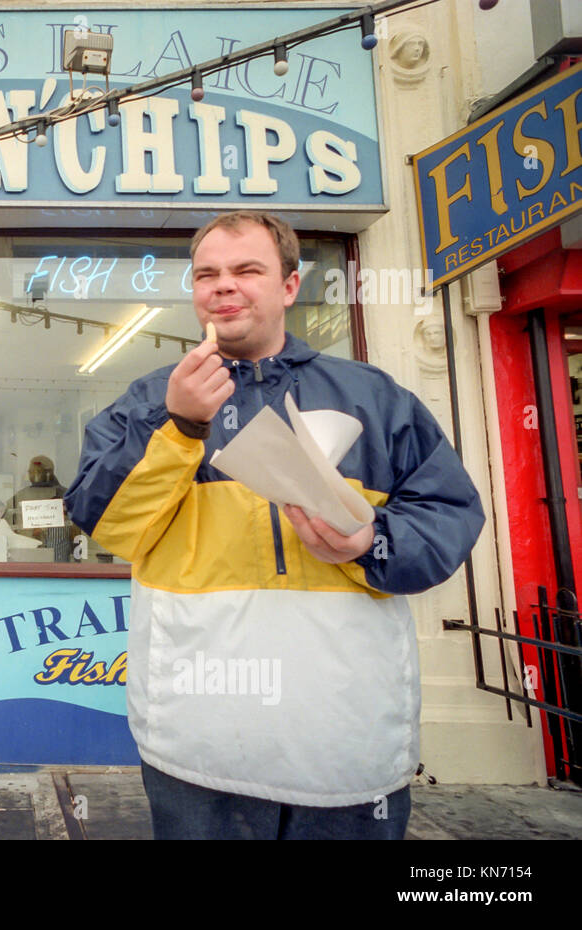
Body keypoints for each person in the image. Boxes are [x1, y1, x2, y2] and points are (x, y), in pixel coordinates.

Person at [64, 211, 484, 839]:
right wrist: (179, 426)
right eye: (206, 274)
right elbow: (106, 523)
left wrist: (373, 540)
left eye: (246, 270)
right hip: (197, 736)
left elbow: (449, 514)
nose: (222, 286)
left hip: (344, 738)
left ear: (289, 286)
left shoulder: (374, 397)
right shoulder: (152, 400)